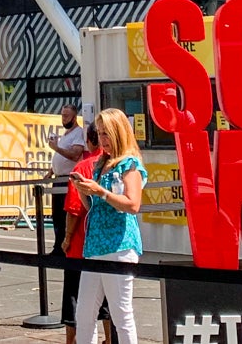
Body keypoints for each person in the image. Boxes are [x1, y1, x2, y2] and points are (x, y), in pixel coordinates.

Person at [69, 108, 145, 344]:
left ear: (120, 133)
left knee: (121, 313)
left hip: (120, 244)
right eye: (100, 134)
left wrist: (100, 191)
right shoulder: (100, 163)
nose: (103, 140)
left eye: (107, 134)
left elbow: (133, 204)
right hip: (95, 244)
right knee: (84, 313)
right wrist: (85, 190)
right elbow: (94, 205)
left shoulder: (129, 164)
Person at [62, 122, 113, 344]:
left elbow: (74, 210)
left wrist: (66, 239)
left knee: (76, 299)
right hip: (109, 244)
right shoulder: (118, 165)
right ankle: (110, 339)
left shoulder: (84, 167)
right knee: (112, 300)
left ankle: (72, 340)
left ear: (90, 140)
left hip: (82, 245)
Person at [49, 104, 88, 321]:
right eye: (62, 114)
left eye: (66, 115)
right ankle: (58, 245)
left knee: (68, 213)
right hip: (59, 179)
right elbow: (62, 160)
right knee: (56, 215)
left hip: (68, 181)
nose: (63, 118)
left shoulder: (78, 134)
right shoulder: (65, 134)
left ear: (74, 117)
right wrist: (51, 169)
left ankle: (65, 244)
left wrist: (56, 149)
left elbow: (74, 156)